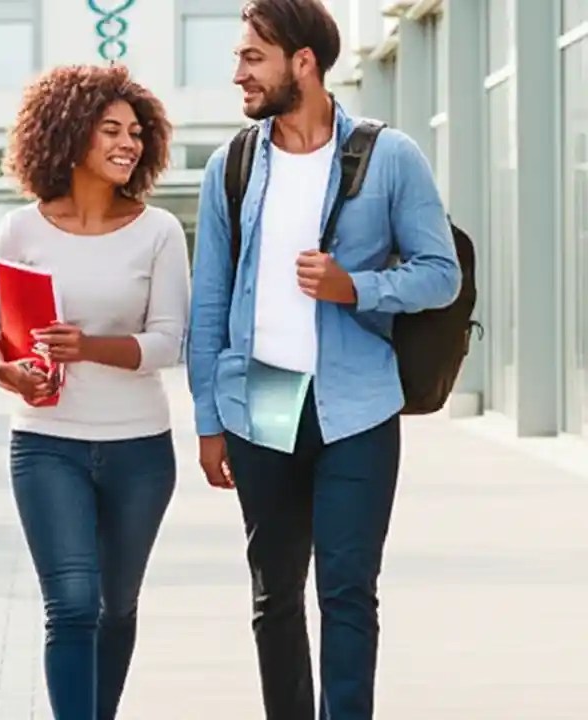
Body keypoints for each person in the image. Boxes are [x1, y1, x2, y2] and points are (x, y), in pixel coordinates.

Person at [186, 1, 462, 718]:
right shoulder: (234, 165)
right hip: (263, 398)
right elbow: (209, 303)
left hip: (356, 403)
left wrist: (355, 287)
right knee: (275, 595)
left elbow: (442, 272)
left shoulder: (389, 155)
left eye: (253, 57)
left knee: (346, 592)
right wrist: (208, 418)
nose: (238, 73)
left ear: (301, 62)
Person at [0, 64, 190, 720]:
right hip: (45, 446)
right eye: (111, 130)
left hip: (138, 451)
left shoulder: (159, 232)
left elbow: (168, 342)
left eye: (137, 132)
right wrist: (2, 367)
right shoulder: (21, 230)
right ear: (68, 135)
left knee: (115, 606)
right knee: (70, 603)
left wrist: (87, 347)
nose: (129, 143)